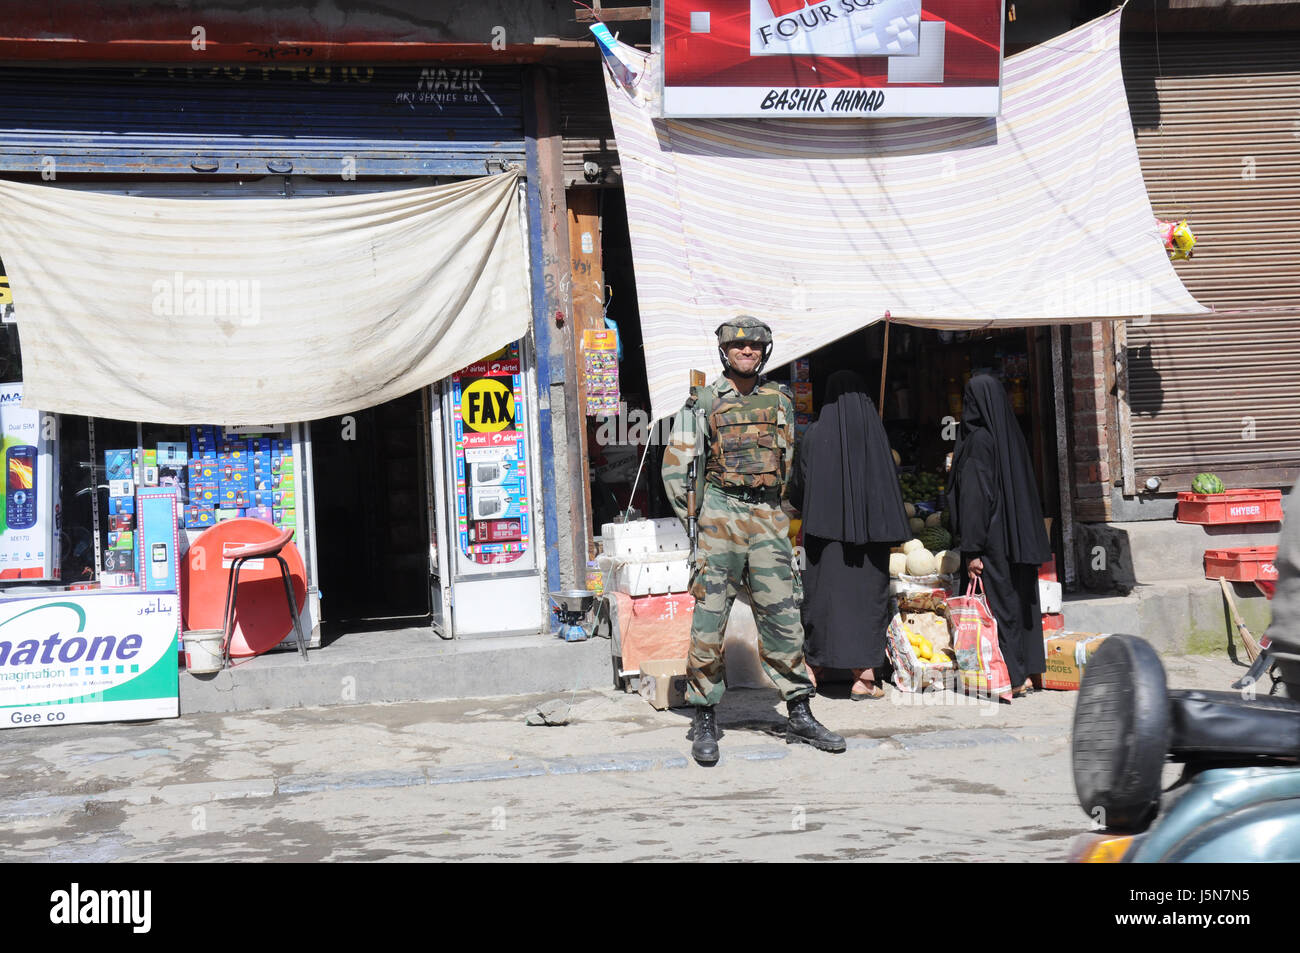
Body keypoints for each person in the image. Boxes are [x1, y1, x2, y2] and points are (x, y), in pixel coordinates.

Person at [662, 316, 845, 765]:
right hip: (720, 512)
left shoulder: (779, 399)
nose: (747, 352)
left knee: (783, 615)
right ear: (724, 352)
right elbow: (676, 468)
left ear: (764, 351)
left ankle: (799, 710)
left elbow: (787, 459)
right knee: (709, 618)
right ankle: (705, 712)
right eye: (738, 346)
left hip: (767, 515)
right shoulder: (703, 401)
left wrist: (777, 511)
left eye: (755, 346)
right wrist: (701, 516)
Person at [788, 371, 910, 699]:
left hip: (823, 539)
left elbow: (798, 487)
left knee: (823, 603)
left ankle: (814, 671)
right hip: (869, 542)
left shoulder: (813, 435)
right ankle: (864, 677)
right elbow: (889, 487)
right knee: (865, 602)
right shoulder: (876, 434)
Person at [947, 374, 1052, 698]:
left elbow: (976, 499)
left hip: (991, 542)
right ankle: (1031, 672)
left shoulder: (978, 441)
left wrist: (973, 550)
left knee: (998, 608)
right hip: (1017, 538)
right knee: (1021, 604)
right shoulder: (1009, 436)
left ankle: (1012, 678)